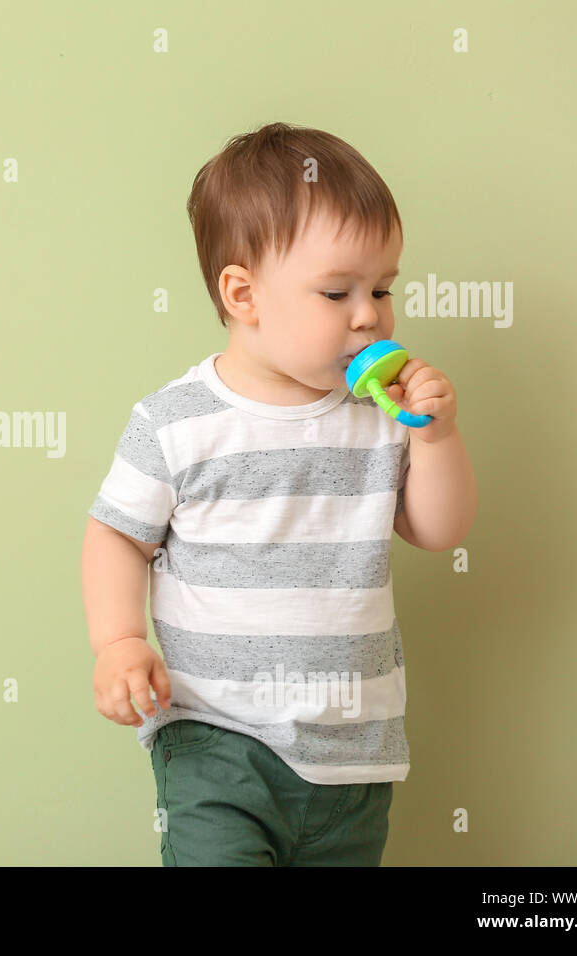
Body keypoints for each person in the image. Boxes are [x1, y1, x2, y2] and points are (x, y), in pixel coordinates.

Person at [80, 122, 476, 866]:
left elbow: (438, 529)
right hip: (217, 740)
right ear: (244, 293)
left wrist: (435, 438)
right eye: (338, 291)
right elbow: (115, 535)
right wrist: (120, 642)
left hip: (354, 752)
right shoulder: (176, 423)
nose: (370, 315)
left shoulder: (379, 418)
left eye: (382, 289)